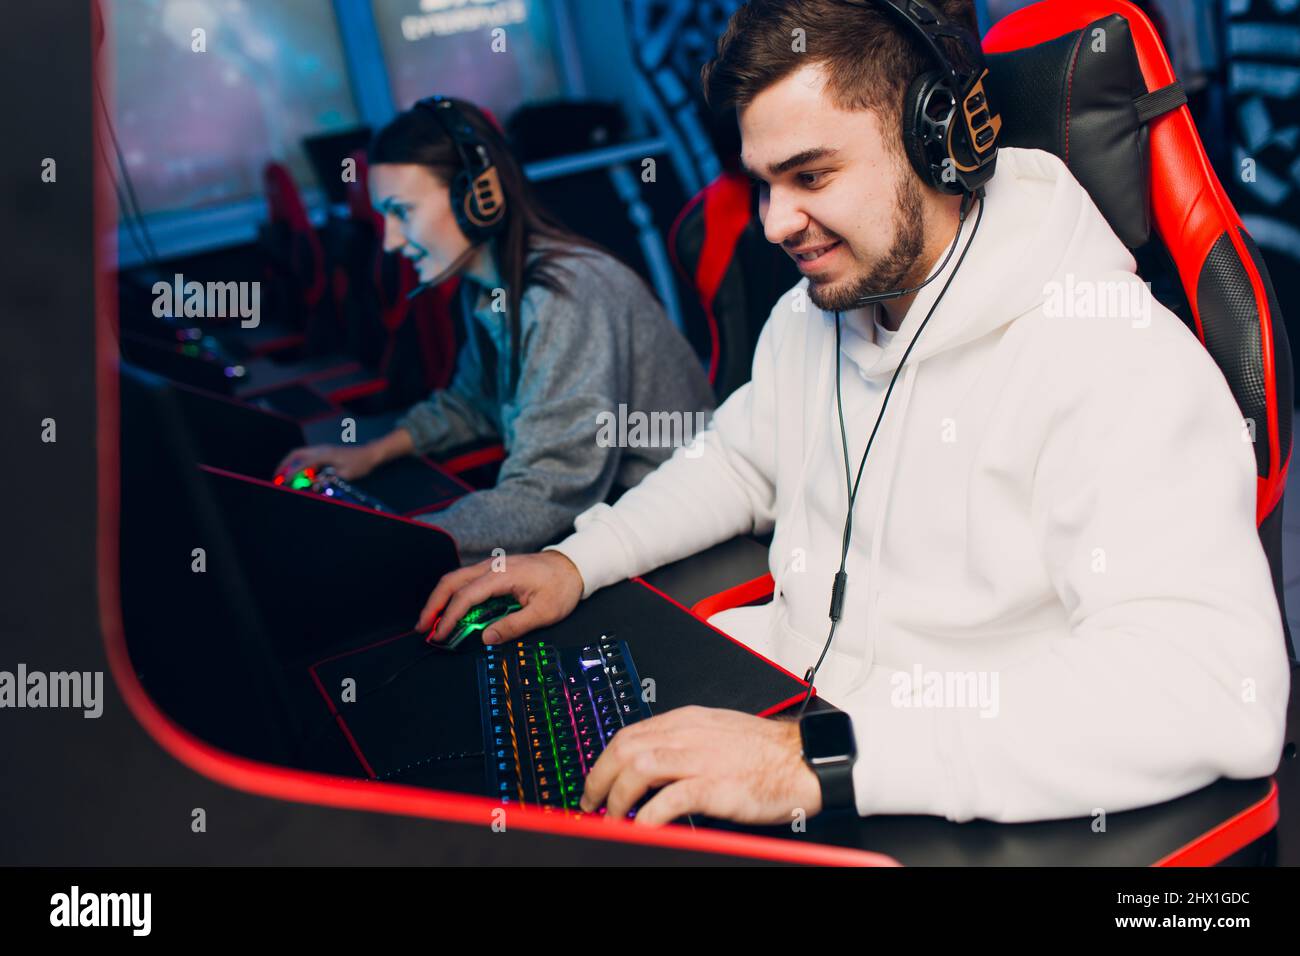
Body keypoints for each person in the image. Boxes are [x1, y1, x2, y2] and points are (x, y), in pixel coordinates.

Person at [415, 0, 1290, 827]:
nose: (774, 223)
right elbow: (738, 461)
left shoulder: (1110, 354)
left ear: (943, 141)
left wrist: (813, 763)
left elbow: (1212, 684)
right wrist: (578, 560)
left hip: (951, 797)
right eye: (763, 183)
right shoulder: (814, 315)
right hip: (796, 709)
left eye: (811, 176)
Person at [276, 97, 715, 563]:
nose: (390, 241)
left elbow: (545, 494)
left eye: (402, 212)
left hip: (672, 530)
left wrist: (391, 547)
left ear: (476, 198)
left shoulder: (562, 297)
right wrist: (373, 454)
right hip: (612, 517)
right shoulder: (488, 289)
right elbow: (473, 403)